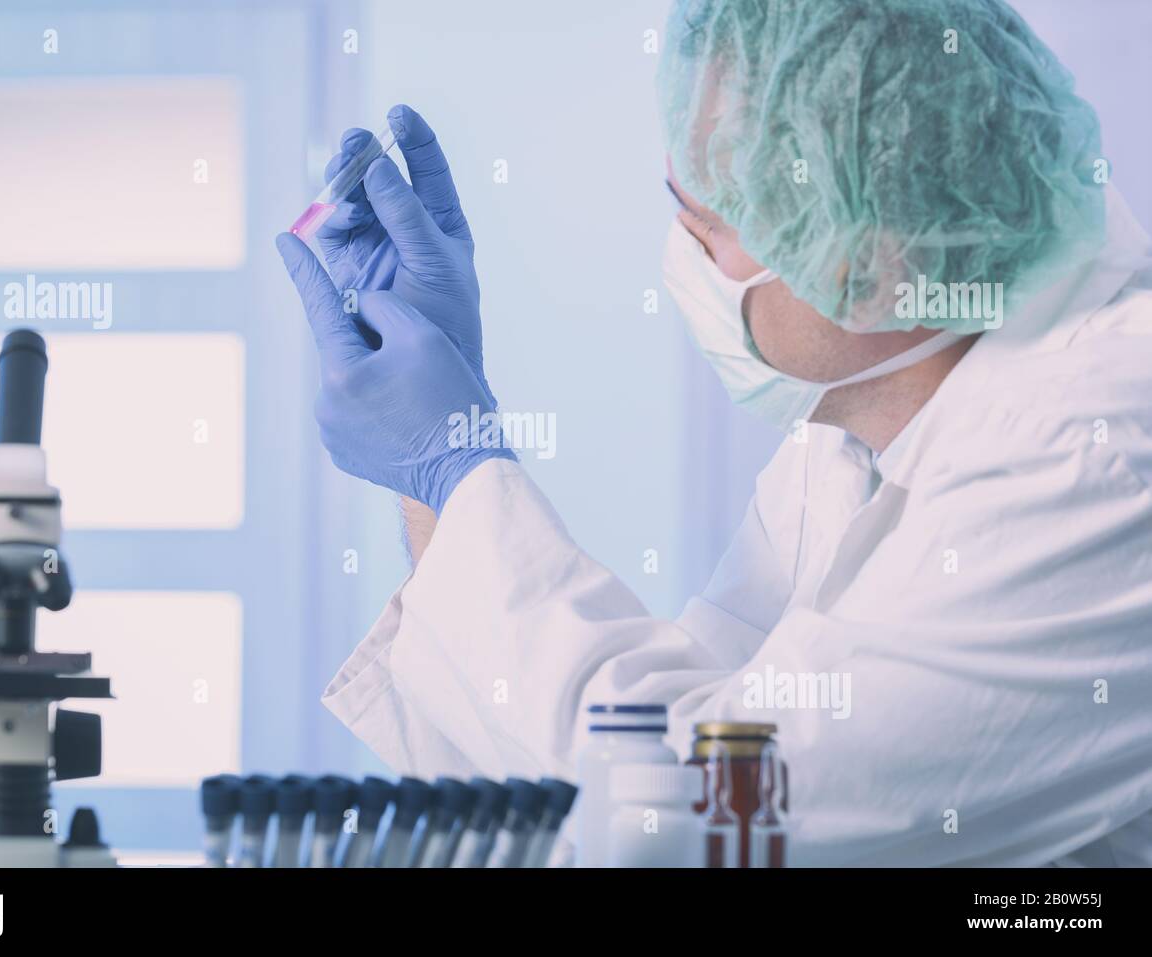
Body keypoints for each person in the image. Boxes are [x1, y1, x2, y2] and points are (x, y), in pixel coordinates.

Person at [276, 0, 1152, 865]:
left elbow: (703, 815)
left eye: (708, 221)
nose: (681, 255)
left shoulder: (1094, 455)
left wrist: (455, 468)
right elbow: (613, 773)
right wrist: (436, 458)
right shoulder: (851, 436)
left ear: (871, 262)